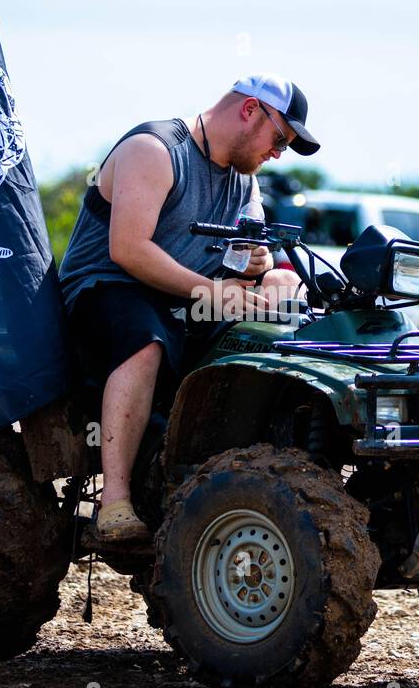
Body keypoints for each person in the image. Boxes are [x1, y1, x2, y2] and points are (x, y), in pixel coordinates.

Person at [57, 74, 320, 541]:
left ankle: (254, 469)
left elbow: (245, 255)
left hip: (186, 297)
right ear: (249, 110)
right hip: (107, 289)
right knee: (145, 339)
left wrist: (261, 265)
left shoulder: (245, 180)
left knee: (286, 289)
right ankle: (114, 503)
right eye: (280, 138)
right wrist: (213, 292)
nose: (278, 153)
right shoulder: (154, 149)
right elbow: (128, 250)